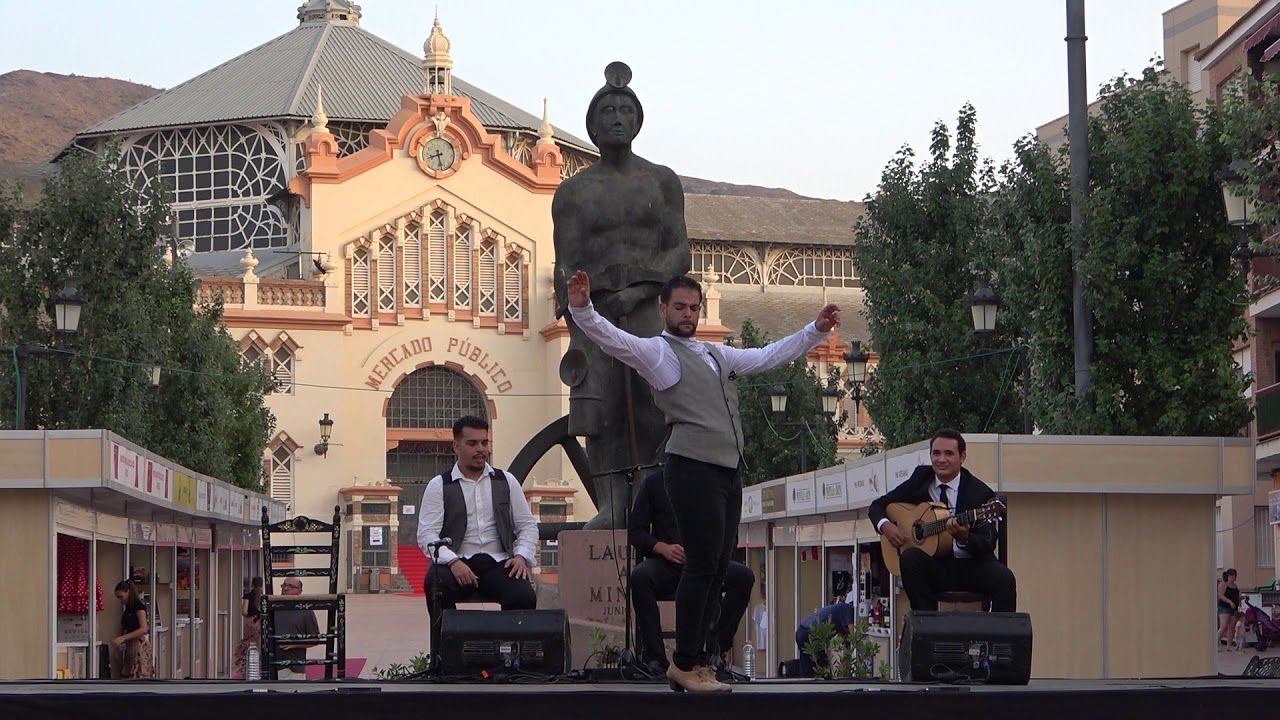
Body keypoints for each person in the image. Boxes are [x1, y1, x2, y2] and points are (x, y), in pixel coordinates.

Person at [567, 270, 839, 692]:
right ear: (663, 309)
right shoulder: (658, 353)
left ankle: (703, 660)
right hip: (690, 465)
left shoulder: (716, 355)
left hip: (727, 470)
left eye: (694, 307)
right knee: (701, 565)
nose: (688, 314)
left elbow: (768, 356)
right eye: (679, 306)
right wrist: (582, 308)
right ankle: (685, 663)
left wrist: (814, 331)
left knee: (715, 569)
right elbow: (613, 340)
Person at [552, 61, 690, 529]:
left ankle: (657, 503)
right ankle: (612, 504)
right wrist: (578, 318)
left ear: (637, 121)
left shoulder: (662, 181)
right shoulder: (573, 193)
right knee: (603, 408)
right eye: (607, 110)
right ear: (591, 125)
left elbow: (679, 248)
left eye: (625, 110)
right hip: (598, 311)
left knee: (657, 405)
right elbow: (565, 261)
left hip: (650, 308)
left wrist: (647, 289)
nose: (616, 117)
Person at [418, 415, 539, 658]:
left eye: (484, 442)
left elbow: (527, 526)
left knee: (523, 594)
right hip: (456, 561)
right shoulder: (439, 485)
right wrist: (453, 562)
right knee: (435, 584)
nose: (481, 449)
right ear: (456, 446)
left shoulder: (506, 481)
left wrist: (521, 555)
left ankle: (512, 659)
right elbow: (427, 536)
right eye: (472, 443)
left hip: (498, 561)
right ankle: (446, 658)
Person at [869, 429, 1016, 613]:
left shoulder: (979, 492)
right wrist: (886, 526)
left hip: (971, 566)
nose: (941, 459)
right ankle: (926, 627)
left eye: (949, 453)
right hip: (936, 567)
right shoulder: (921, 479)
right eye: (936, 453)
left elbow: (988, 541)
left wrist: (964, 538)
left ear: (962, 457)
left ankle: (1000, 639)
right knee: (909, 558)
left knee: (1005, 579)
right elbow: (877, 506)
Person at [629, 468, 755, 676]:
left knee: (744, 577)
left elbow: (730, 536)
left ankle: (716, 649)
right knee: (640, 577)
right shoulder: (654, 483)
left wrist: (711, 554)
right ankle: (656, 658)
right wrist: (662, 548)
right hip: (667, 564)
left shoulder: (713, 486)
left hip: (706, 566)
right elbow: (636, 531)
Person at [271, 577, 319, 680]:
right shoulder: (273, 608)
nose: (286, 588)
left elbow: (315, 639)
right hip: (270, 665)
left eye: (291, 586)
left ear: (300, 591)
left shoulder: (306, 610)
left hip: (293, 667)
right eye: (284, 585)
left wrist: (294, 644)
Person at [795, 601, 857, 677]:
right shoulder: (848, 609)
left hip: (801, 631)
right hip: (810, 634)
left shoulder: (839, 609)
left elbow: (843, 636)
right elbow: (853, 634)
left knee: (808, 668)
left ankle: (808, 686)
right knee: (822, 669)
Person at [112, 580, 153, 679]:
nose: (120, 600)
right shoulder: (128, 608)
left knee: (139, 673)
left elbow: (144, 628)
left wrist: (123, 638)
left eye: (121, 597)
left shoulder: (139, 607)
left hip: (138, 645)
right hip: (129, 646)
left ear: (128, 592)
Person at [233, 576, 264, 678]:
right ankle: (260, 669)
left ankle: (246, 667)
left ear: (252, 584)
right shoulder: (264, 596)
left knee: (248, 644)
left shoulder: (248, 595)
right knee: (260, 645)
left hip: (251, 622)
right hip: (261, 622)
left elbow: (244, 612)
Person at [1218, 568, 1241, 649]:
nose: (1234, 577)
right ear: (1228, 576)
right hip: (1224, 607)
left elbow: (1237, 596)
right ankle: (1215, 644)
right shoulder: (1223, 584)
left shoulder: (1235, 586)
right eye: (1233, 575)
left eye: (1235, 575)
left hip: (1234, 608)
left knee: (1231, 627)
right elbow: (1221, 595)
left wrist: (1240, 601)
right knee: (1223, 626)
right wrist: (1229, 602)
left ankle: (1229, 646)